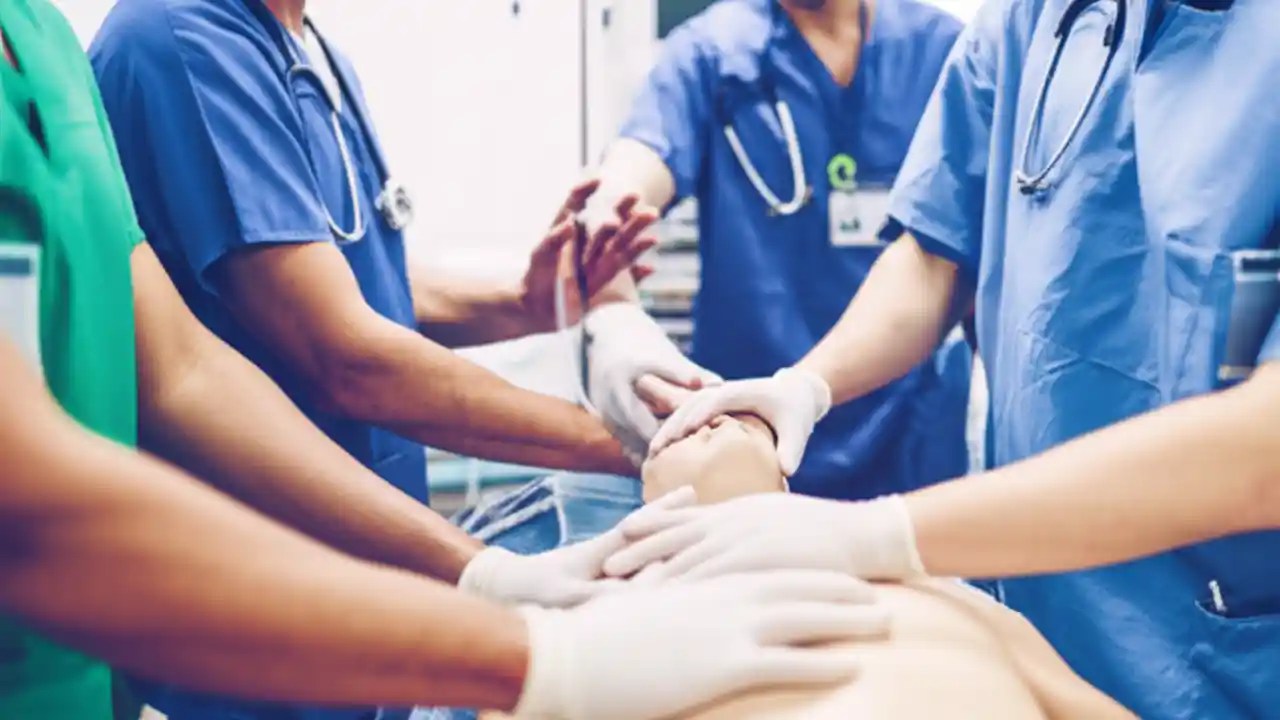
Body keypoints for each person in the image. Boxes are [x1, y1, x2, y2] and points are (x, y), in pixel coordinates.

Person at [0, 3, 887, 718]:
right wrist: (613, 452)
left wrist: (521, 305)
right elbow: (339, 354)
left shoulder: (64, 41)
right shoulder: (181, 43)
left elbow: (212, 343)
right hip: (243, 611)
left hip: (306, 615)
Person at [617, 1, 1280, 717]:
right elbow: (936, 253)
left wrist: (876, 537)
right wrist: (807, 384)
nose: (706, 424)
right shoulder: (1034, 21)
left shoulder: (920, 600)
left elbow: (1263, 449)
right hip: (1037, 595)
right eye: (696, 430)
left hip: (1218, 648)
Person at [475, 403, 1135, 720]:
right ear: (637, 495)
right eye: (673, 427)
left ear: (790, 481)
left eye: (741, 420)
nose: (706, 417)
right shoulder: (586, 632)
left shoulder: (920, 579)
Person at [577, 0, 973, 503]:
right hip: (750, 441)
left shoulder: (942, 52)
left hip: (912, 442)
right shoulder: (712, 53)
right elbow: (636, 167)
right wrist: (609, 217)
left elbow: (968, 251)